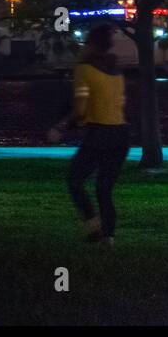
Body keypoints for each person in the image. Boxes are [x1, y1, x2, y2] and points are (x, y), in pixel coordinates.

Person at [47, 23, 129, 244]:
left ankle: (93, 227)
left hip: (100, 134)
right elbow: (119, 104)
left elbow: (80, 109)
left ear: (90, 44)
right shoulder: (117, 72)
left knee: (75, 179)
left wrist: (60, 128)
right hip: (121, 135)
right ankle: (108, 237)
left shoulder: (84, 69)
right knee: (104, 188)